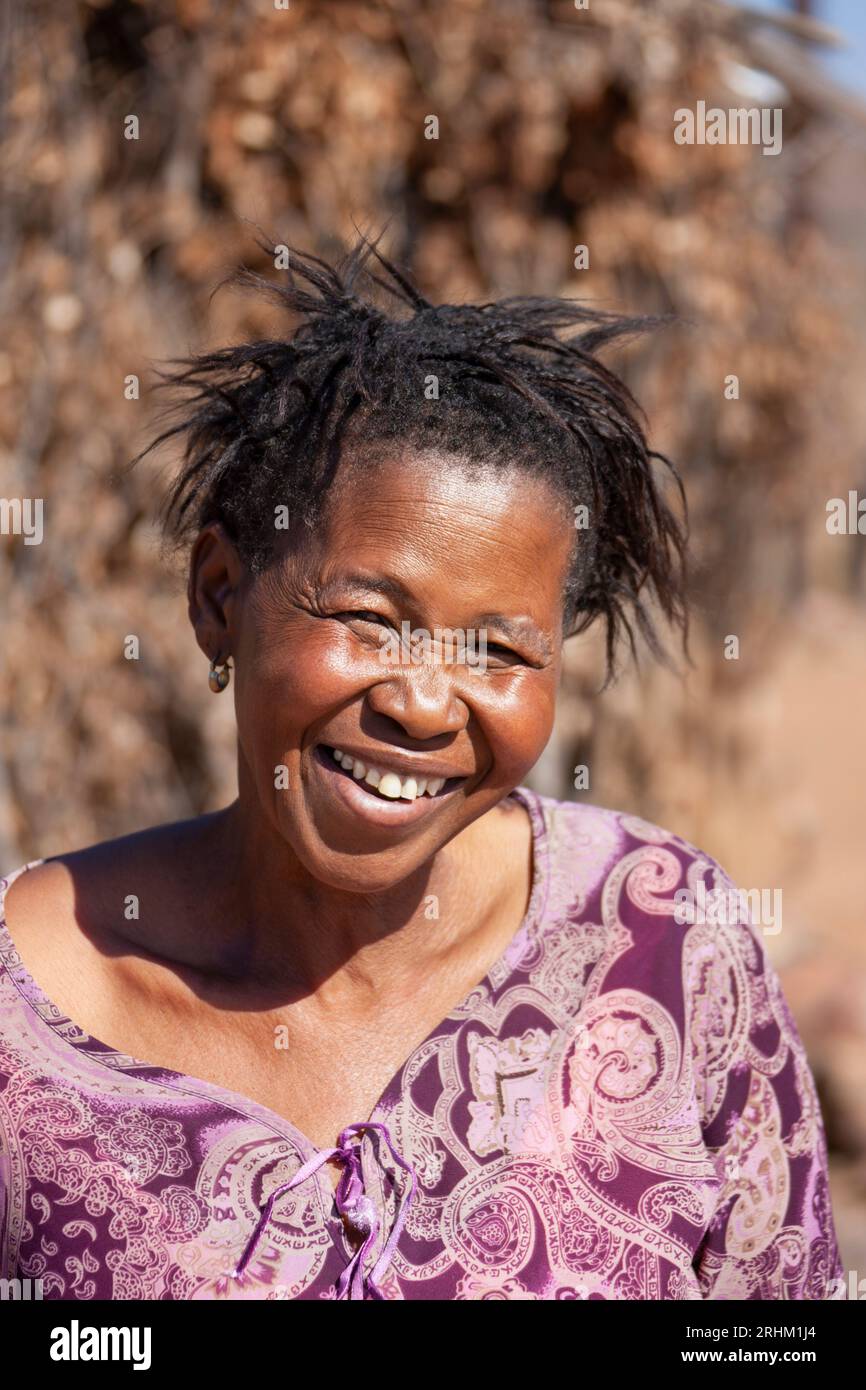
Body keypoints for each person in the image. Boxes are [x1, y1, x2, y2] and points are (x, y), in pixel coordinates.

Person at [0, 234, 844, 1300]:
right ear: (219, 594)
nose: (422, 703)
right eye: (367, 618)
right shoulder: (28, 1014)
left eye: (498, 649)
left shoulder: (664, 948)